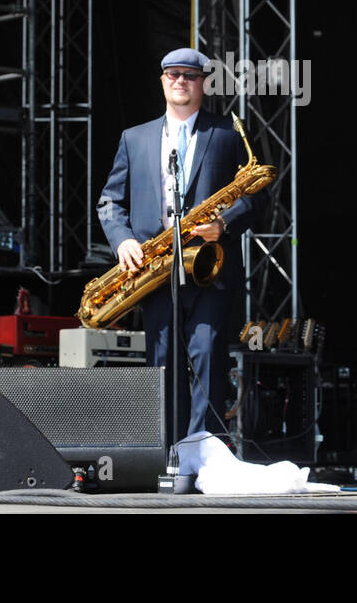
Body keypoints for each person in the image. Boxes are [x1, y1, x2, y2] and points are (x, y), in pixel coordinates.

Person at [97, 48, 268, 440]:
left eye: (190, 75)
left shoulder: (227, 132)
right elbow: (110, 200)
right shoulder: (134, 137)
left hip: (212, 266)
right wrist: (123, 241)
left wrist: (223, 223)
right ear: (162, 81)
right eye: (173, 74)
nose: (180, 81)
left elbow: (258, 196)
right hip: (156, 268)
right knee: (162, 363)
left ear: (203, 83)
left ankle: (203, 454)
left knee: (208, 355)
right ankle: (166, 454)